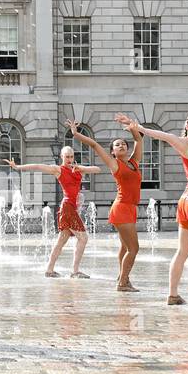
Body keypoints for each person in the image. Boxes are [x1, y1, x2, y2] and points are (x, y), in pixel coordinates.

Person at [119, 111, 188, 305]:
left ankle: (173, 295)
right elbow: (164, 136)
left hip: (187, 200)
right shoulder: (186, 143)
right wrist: (138, 128)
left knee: (183, 251)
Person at [68, 119, 144, 292]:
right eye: (117, 145)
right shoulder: (114, 164)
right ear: (113, 151)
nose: (122, 146)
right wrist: (75, 134)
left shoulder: (133, 162)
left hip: (130, 208)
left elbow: (139, 140)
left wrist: (133, 129)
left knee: (125, 247)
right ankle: (123, 282)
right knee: (134, 248)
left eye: (124, 144)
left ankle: (122, 276)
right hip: (122, 208)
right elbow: (95, 145)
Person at [5, 147, 102, 278]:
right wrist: (17, 167)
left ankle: (49, 270)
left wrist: (82, 168)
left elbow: (98, 170)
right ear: (62, 157)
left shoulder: (77, 169)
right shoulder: (58, 169)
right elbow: (38, 166)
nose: (69, 159)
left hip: (70, 208)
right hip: (67, 207)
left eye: (71, 156)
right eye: (67, 156)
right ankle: (74, 271)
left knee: (61, 241)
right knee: (83, 238)